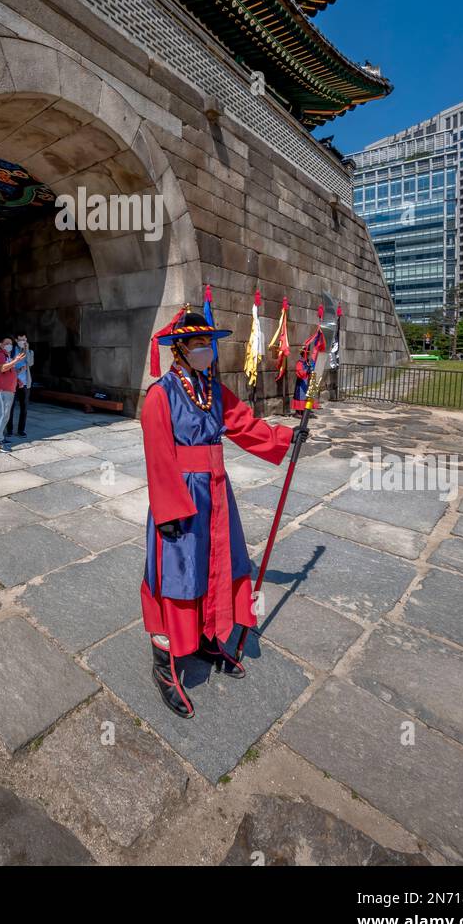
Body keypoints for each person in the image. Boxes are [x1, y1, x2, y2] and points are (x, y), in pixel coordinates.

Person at [141, 307, 308, 720]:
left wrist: (286, 436)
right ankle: (166, 664)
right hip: (181, 497)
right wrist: (168, 510)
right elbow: (159, 458)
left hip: (217, 493)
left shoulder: (214, 390)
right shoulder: (160, 395)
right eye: (198, 344)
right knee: (178, 574)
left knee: (218, 564)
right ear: (179, 350)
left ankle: (207, 636)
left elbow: (246, 426)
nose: (206, 351)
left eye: (208, 344)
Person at [0, 336, 24, 452]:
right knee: (1, 416)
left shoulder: (8, 357)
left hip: (9, 390)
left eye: (11, 343)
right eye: (6, 343)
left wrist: (18, 381)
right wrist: (16, 360)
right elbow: (3, 368)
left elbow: (11, 371)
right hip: (1, 391)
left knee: (5, 416)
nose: (9, 345)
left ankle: (1, 438)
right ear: (1, 345)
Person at [5, 332, 33, 439]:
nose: (23, 342)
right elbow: (8, 365)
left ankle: (21, 430)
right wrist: (17, 371)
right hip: (12, 383)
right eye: (21, 340)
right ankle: (10, 430)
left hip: (25, 383)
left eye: (25, 340)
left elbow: (30, 363)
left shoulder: (29, 351)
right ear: (16, 340)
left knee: (24, 408)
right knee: (10, 408)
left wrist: (27, 349)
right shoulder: (12, 351)